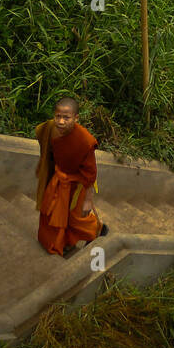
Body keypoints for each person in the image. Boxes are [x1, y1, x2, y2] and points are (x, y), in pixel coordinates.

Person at [34, 98, 108, 257]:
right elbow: (41, 133)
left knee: (76, 219)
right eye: (57, 116)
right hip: (58, 180)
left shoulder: (85, 140)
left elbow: (90, 173)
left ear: (76, 118)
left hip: (77, 185)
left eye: (66, 118)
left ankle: (97, 230)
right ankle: (56, 244)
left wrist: (88, 199)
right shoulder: (50, 128)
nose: (61, 121)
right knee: (50, 212)